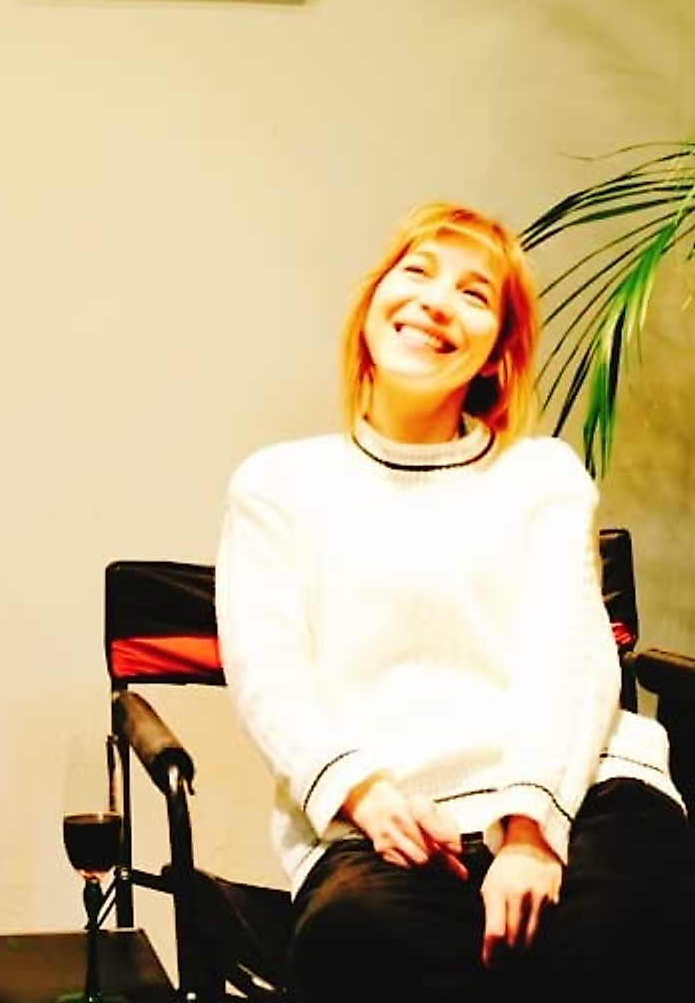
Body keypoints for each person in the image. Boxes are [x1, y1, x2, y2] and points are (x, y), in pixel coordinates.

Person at [214, 201, 695, 999]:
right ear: (373, 303)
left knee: (614, 928)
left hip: (582, 793)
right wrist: (364, 793)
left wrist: (531, 831)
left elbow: (570, 660)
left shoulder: (541, 477)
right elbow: (269, 676)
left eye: (474, 294)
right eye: (417, 272)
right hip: (387, 820)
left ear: (496, 353)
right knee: (357, 938)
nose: (437, 302)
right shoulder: (278, 486)